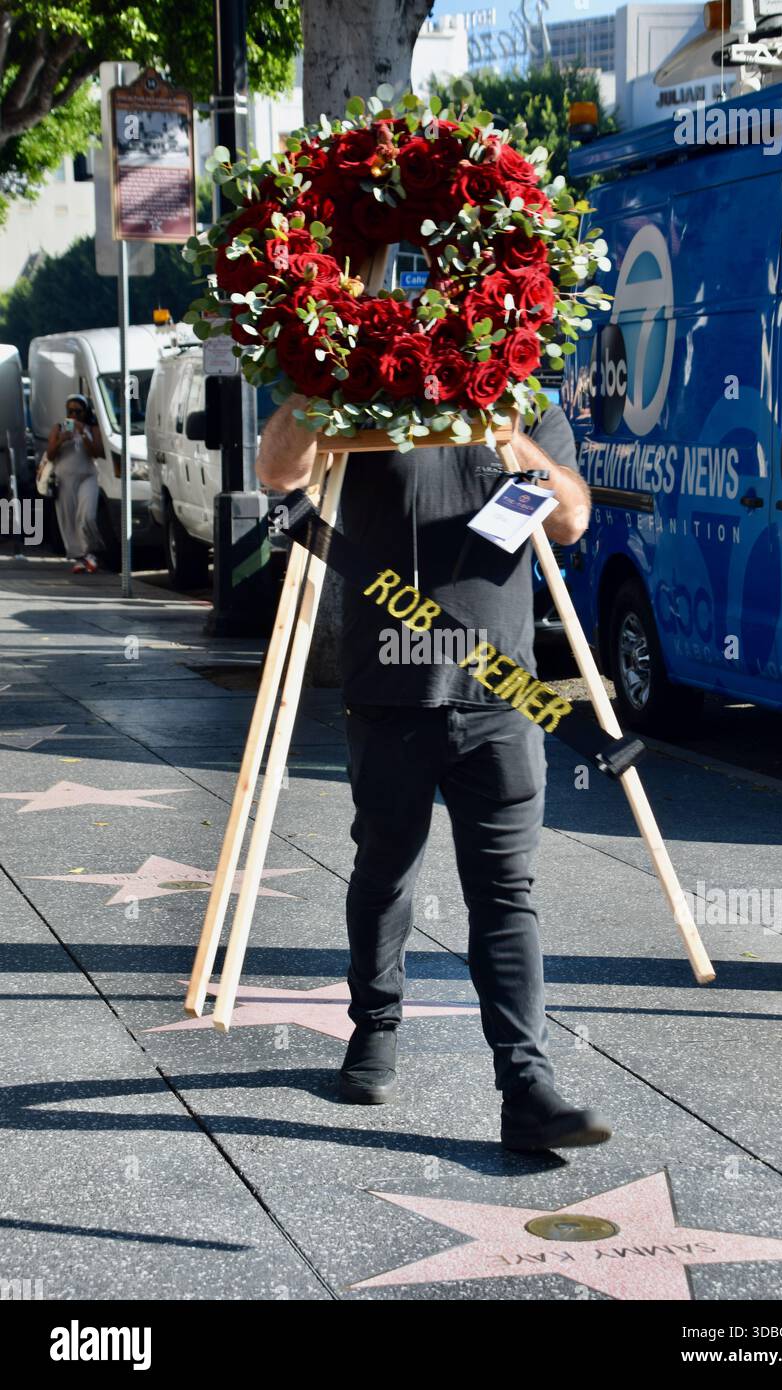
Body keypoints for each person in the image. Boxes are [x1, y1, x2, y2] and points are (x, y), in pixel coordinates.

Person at [257, 396, 613, 1154]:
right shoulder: (370, 410)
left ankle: (527, 1087)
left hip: (502, 692)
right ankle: (375, 1027)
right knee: (385, 869)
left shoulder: (524, 410)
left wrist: (508, 435)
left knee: (508, 893)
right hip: (389, 690)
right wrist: (316, 391)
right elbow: (277, 473)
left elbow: (570, 519)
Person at [42, 395, 104, 574]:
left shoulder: (92, 428)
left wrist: (84, 433)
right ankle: (79, 556)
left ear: (85, 412)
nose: (74, 415)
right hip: (64, 479)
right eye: (70, 411)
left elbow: (97, 452)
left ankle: (91, 551)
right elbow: (50, 455)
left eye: (78, 411)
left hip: (87, 476)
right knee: (68, 518)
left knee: (87, 515)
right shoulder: (59, 428)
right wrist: (61, 439)